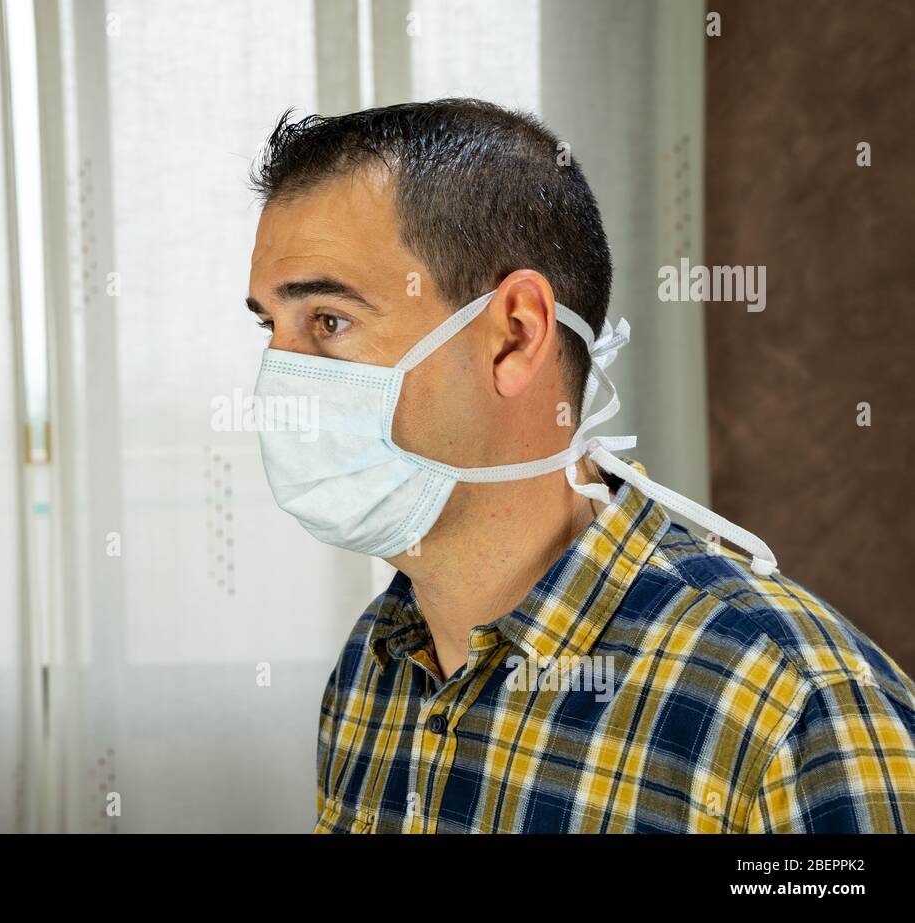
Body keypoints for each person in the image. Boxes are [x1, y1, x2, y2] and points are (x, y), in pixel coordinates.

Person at [245, 99, 915, 833]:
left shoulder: (791, 709)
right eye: (270, 326)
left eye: (329, 321)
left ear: (515, 335)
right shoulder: (377, 660)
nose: (279, 382)